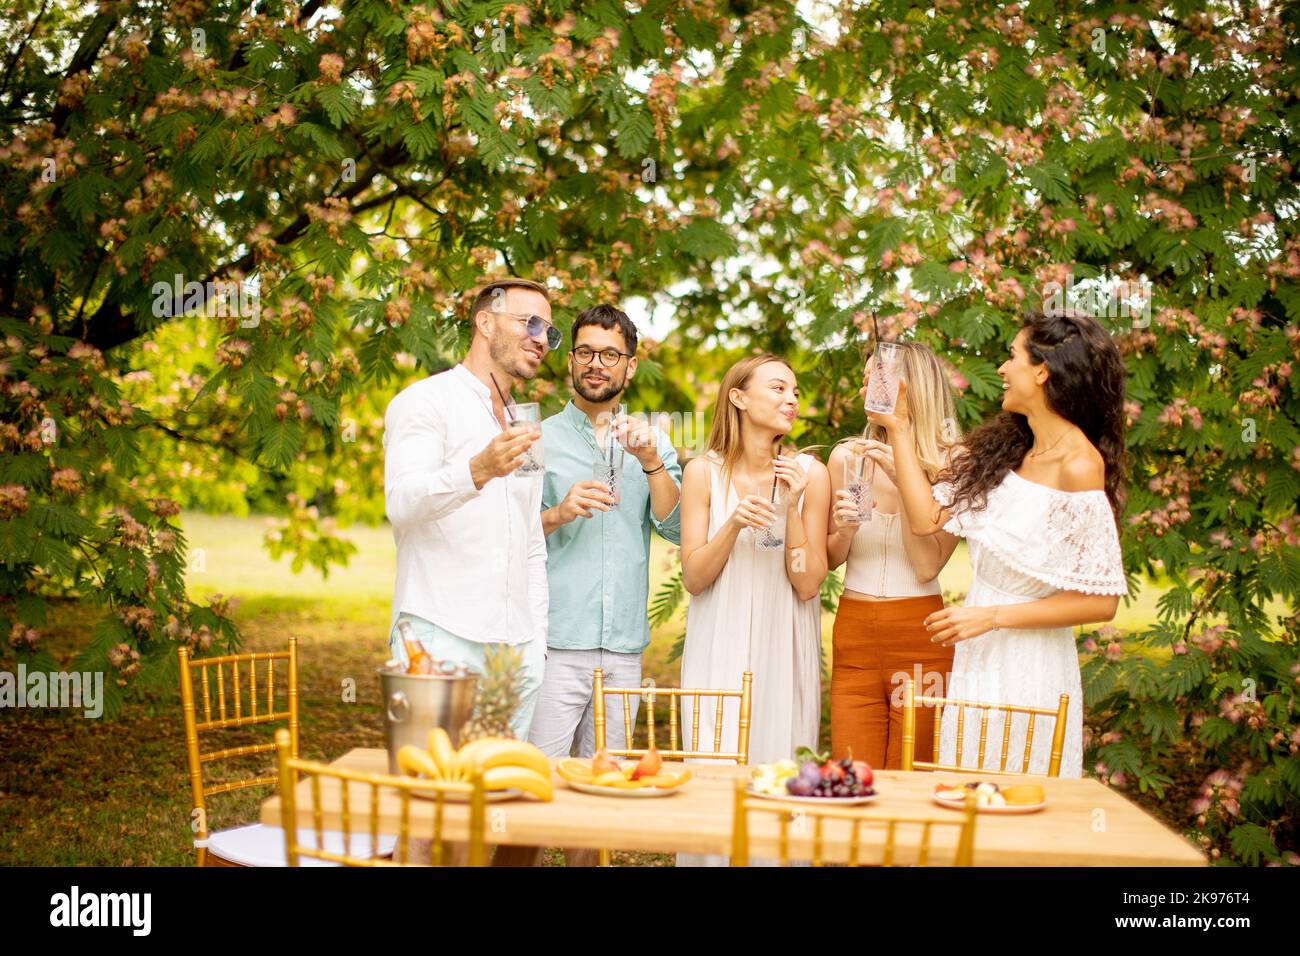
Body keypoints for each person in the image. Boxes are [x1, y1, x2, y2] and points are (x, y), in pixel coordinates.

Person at [867, 311, 1127, 777]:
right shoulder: (1006, 448)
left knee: (1018, 796)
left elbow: (1101, 602)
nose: (1003, 369)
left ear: (1043, 371)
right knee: (967, 788)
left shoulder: (1080, 465)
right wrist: (900, 429)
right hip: (977, 656)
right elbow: (928, 518)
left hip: (1031, 662)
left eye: (1012, 357)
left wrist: (991, 617)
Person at [527, 304, 683, 866]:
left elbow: (677, 527)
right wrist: (557, 512)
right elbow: (505, 535)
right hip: (552, 645)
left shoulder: (653, 442)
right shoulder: (535, 439)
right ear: (570, 360)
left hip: (621, 652)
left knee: (602, 796)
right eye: (587, 352)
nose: (597, 364)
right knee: (529, 794)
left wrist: (652, 465)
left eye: (610, 355)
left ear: (631, 366)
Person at [382, 277, 557, 741]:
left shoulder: (526, 422)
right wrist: (476, 470)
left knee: (497, 793)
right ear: (485, 321)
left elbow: (530, 540)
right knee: (428, 797)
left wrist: (535, 644)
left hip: (515, 654)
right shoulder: (424, 401)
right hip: (440, 636)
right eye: (530, 323)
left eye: (550, 332)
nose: (541, 339)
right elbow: (402, 502)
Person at [677, 354, 830, 866]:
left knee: (779, 769)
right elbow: (695, 578)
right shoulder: (702, 473)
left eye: (795, 391)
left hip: (782, 641)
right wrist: (733, 524)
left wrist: (792, 507)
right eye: (778, 388)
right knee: (714, 762)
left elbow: (808, 582)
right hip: (718, 641)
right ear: (739, 397)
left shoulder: (811, 473)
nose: (791, 399)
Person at [826, 342, 961, 768]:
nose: (863, 383)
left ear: (907, 386)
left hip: (920, 635)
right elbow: (831, 558)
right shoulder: (848, 457)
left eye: (874, 376)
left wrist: (905, 482)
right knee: (852, 771)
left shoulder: (954, 463)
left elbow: (926, 566)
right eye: (864, 376)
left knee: (913, 771)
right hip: (854, 634)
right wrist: (844, 530)